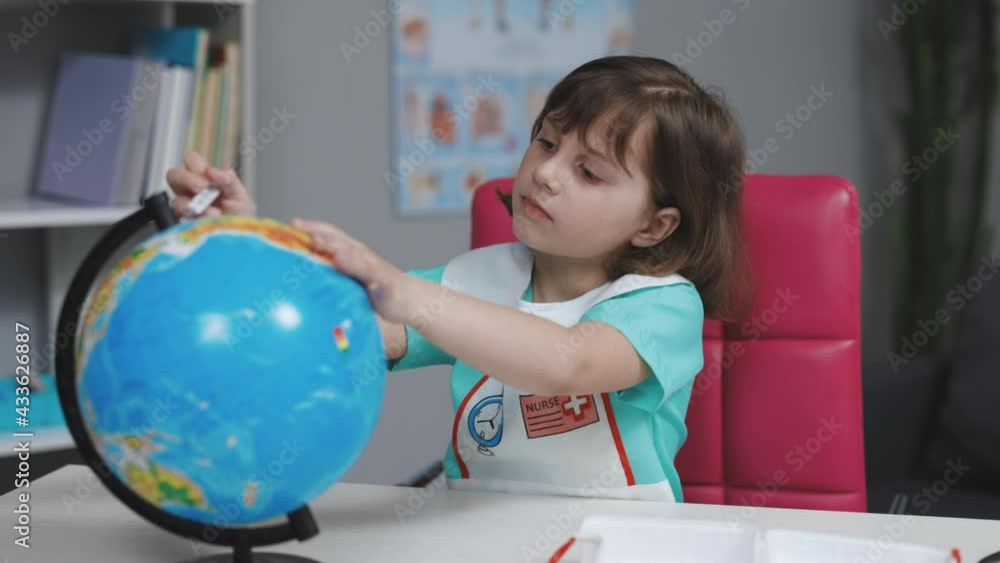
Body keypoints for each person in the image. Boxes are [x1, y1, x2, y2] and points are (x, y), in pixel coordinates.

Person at [166, 55, 750, 503]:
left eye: (588, 172)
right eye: (545, 142)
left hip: (620, 543)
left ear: (654, 224)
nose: (544, 173)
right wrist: (250, 240)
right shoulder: (476, 277)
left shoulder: (663, 305)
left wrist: (413, 294)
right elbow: (347, 324)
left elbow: (568, 365)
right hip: (473, 532)